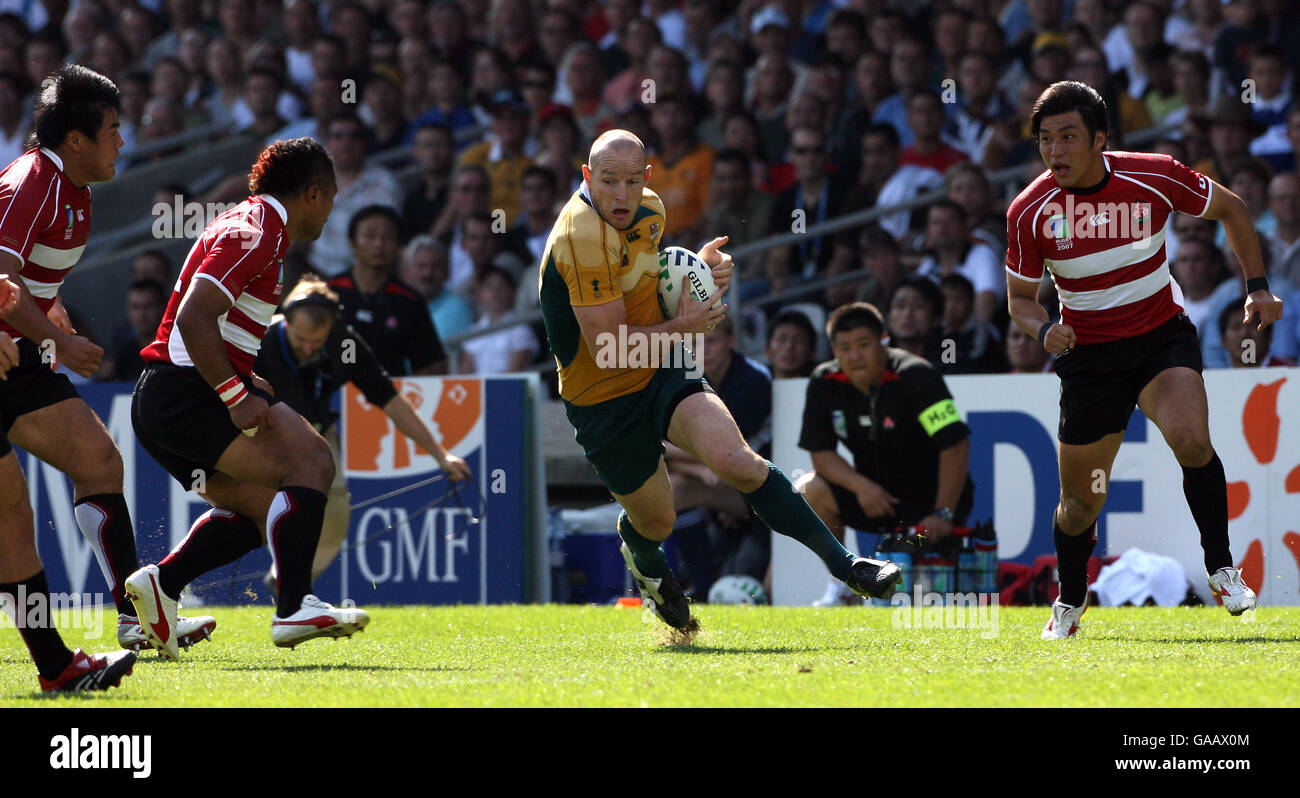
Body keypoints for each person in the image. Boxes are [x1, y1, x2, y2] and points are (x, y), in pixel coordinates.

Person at [538, 129, 900, 632]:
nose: (620, 196)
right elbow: (610, 347)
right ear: (586, 177)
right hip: (600, 398)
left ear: (647, 177)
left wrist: (698, 271)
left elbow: (648, 280)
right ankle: (641, 554)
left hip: (661, 364)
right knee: (656, 523)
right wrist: (687, 325)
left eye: (629, 182)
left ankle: (848, 568)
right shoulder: (579, 237)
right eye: (607, 182)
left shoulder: (650, 209)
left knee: (739, 462)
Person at [1004, 81, 1284, 640]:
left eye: (1068, 137)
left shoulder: (1152, 175)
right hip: (1089, 357)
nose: (1055, 151)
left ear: (1099, 139)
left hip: (1160, 336)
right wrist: (1044, 329)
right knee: (1081, 504)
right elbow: (1018, 301)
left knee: (1192, 441)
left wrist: (1256, 287)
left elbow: (1232, 207)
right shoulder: (1029, 211)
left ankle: (1221, 568)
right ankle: (1072, 596)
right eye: (1045, 139)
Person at [0, 65, 215, 671]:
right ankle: (60, 664)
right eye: (113, 129)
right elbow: (0, 272)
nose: (124, 141)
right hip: (13, 351)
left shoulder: (72, 187)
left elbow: (29, 277)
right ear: (76, 140)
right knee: (9, 515)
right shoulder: (34, 179)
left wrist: (53, 314)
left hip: (17, 361)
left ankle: (131, 618)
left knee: (96, 461)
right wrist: (59, 342)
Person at [126, 138, 370, 659]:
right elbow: (194, 316)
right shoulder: (259, 231)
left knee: (265, 509)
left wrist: (243, 376)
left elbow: (211, 323)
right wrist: (233, 392)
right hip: (185, 392)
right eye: (329, 197)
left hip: (167, 396)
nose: (330, 210)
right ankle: (295, 606)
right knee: (312, 459)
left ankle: (162, 585)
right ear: (311, 194)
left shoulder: (254, 223)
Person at [254, 276, 471, 583]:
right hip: (262, 430)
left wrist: (441, 455)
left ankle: (292, 585)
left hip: (316, 435)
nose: (308, 347)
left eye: (316, 341)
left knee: (335, 512)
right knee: (256, 508)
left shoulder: (345, 344)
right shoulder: (259, 340)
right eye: (301, 338)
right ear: (285, 321)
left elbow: (392, 402)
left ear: (331, 326)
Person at [796, 302, 975, 606]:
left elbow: (954, 444)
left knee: (921, 587)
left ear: (884, 340)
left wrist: (943, 511)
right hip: (875, 500)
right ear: (834, 350)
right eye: (844, 347)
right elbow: (821, 453)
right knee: (808, 489)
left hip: (929, 506)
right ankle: (842, 585)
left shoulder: (917, 376)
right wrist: (861, 487)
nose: (854, 355)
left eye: (864, 345)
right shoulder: (823, 382)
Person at [327, 205, 447, 376]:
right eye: (370, 236)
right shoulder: (326, 293)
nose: (379, 244)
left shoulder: (410, 301)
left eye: (388, 237)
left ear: (399, 246)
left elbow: (430, 367)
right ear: (352, 243)